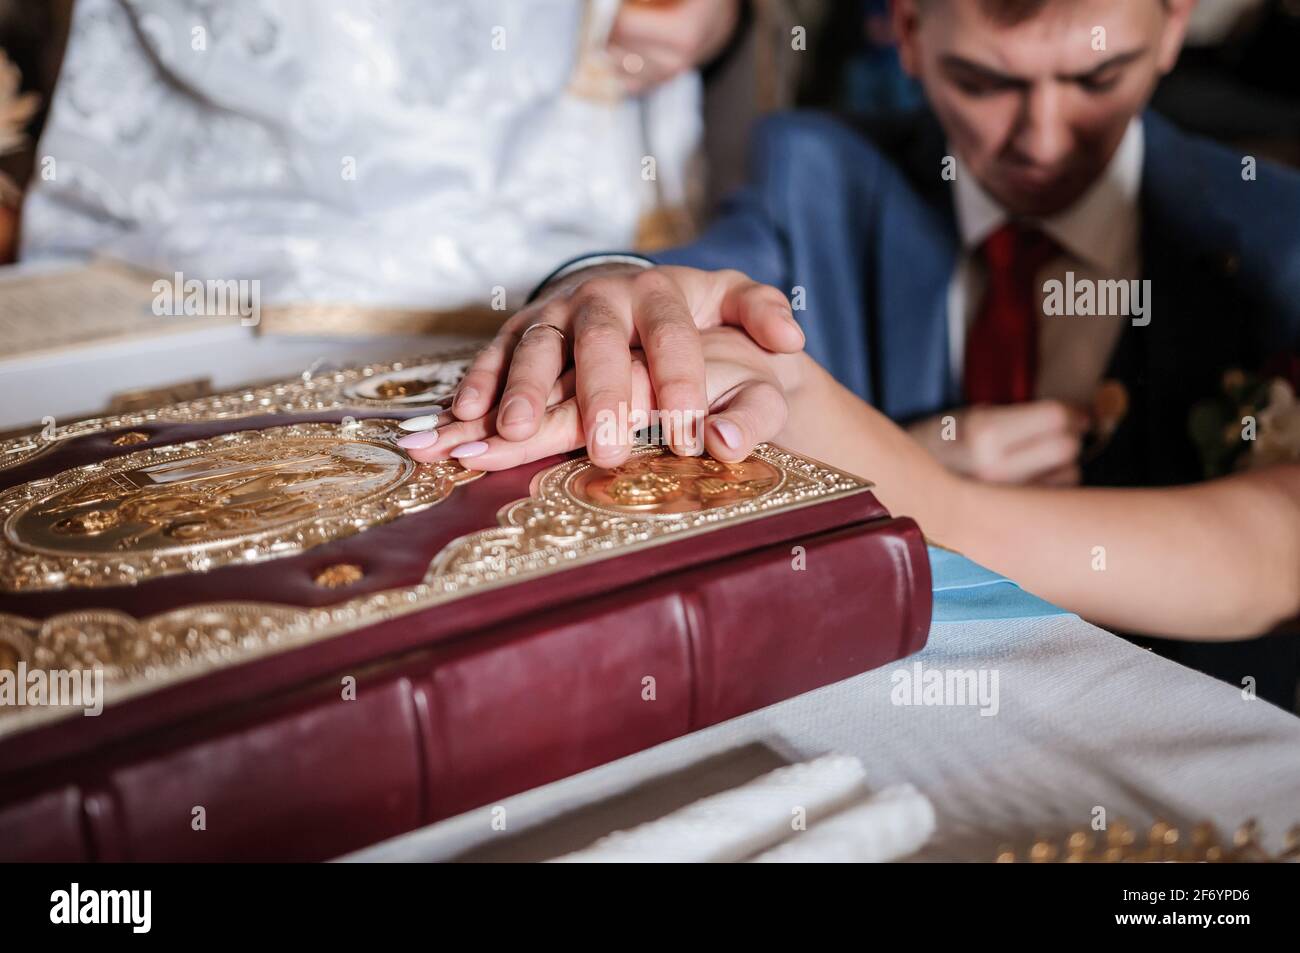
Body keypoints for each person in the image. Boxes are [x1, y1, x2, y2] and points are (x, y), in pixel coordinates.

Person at [402, 0, 1300, 701]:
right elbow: (697, 295)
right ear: (906, 30)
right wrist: (613, 290)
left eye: (1098, 76)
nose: (1041, 138)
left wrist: (907, 470)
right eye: (984, 81)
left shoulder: (1277, 236)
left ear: (1175, 23)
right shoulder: (815, 175)